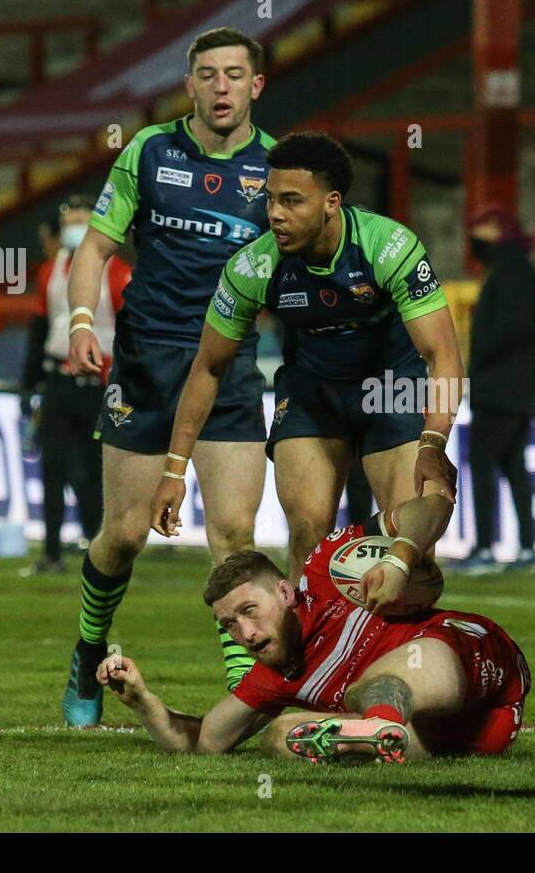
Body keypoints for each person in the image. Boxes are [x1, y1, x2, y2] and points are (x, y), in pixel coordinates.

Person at [60, 26, 276, 726]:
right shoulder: (148, 151)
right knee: (124, 534)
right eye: (207, 75)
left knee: (235, 535)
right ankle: (88, 650)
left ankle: (243, 692)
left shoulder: (278, 166)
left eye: (234, 75)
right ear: (189, 85)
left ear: (256, 86)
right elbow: (93, 250)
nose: (220, 87)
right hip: (148, 365)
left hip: (229, 365)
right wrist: (84, 324)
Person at [149, 132, 463, 584]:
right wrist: (174, 470)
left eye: (293, 201)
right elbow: (209, 367)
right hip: (312, 392)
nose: (275, 213)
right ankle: (315, 652)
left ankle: (395, 650)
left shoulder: (387, 246)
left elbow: (444, 355)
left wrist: (433, 442)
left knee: (409, 550)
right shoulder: (252, 267)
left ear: (331, 202)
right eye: (271, 198)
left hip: (392, 388)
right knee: (308, 533)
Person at [100, 492, 530, 761]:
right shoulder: (274, 675)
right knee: (280, 736)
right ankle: (375, 730)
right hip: (473, 736)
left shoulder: (328, 565)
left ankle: (375, 722)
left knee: (376, 682)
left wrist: (399, 559)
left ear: (286, 594)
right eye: (229, 625)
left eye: (250, 611)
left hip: (471, 657)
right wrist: (142, 700)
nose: (245, 634)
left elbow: (433, 506)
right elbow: (205, 741)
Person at [20, 194, 130, 576]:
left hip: (100, 381)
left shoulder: (116, 271)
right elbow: (39, 327)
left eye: (83, 219)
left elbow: (128, 327)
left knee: (95, 469)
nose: (74, 227)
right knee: (52, 467)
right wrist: (28, 383)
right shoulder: (50, 270)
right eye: (70, 220)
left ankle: (98, 550)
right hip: (59, 378)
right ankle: (51, 550)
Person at [450, 206, 535, 575]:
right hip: (518, 388)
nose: (477, 234)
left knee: (484, 463)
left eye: (486, 227)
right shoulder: (517, 269)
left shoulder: (509, 271)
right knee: (513, 466)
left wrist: (475, 366)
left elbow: (509, 330)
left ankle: (486, 549)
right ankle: (526, 550)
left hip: (501, 388)